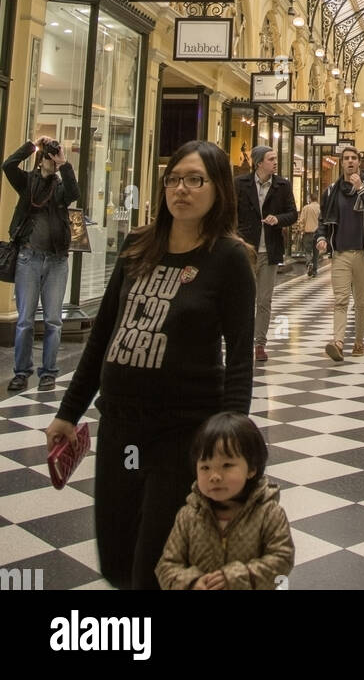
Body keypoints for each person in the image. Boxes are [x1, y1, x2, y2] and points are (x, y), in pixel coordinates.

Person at [44, 140, 256, 591]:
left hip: (183, 432)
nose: (182, 189)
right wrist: (68, 412)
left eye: (195, 180)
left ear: (218, 189)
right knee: (117, 559)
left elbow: (240, 357)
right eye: (174, 179)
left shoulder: (229, 259)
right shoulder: (138, 245)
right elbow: (103, 336)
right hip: (120, 425)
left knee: (157, 562)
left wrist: (232, 442)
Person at [156, 412, 295, 590]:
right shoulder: (188, 516)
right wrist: (191, 582)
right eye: (205, 467)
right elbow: (167, 565)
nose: (214, 476)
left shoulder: (269, 513)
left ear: (252, 468)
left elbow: (281, 560)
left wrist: (235, 578)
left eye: (227, 465)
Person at [4, 137, 80, 394]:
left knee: (53, 320)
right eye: (47, 155)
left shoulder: (60, 188)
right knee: (25, 320)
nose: (50, 159)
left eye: (52, 155)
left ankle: (48, 372)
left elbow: (74, 193)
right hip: (29, 258)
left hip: (57, 261)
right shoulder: (27, 183)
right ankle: (21, 372)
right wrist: (31, 145)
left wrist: (63, 163)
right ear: (40, 158)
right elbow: (8, 166)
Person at [316, 145, 364, 362]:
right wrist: (320, 237)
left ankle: (358, 340)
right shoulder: (331, 191)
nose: (349, 162)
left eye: (353, 158)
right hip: (340, 253)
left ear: (359, 162)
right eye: (345, 158)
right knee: (340, 299)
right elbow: (323, 220)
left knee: (361, 300)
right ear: (341, 162)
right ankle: (338, 342)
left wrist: (361, 190)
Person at [235, 146, 298, 361]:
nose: (275, 162)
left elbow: (292, 214)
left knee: (264, 300)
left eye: (275, 158)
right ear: (259, 163)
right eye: (271, 159)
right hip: (245, 250)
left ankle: (259, 344)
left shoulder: (282, 185)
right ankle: (241, 341)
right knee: (243, 298)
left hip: (269, 250)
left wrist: (277, 219)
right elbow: (231, 213)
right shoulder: (240, 184)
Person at [299, 190, 321, 276]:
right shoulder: (320, 208)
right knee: (316, 252)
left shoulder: (306, 208)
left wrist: (302, 230)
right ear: (317, 199)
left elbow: (301, 221)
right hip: (317, 234)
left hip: (307, 233)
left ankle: (309, 263)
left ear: (310, 199)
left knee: (307, 251)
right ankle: (314, 271)